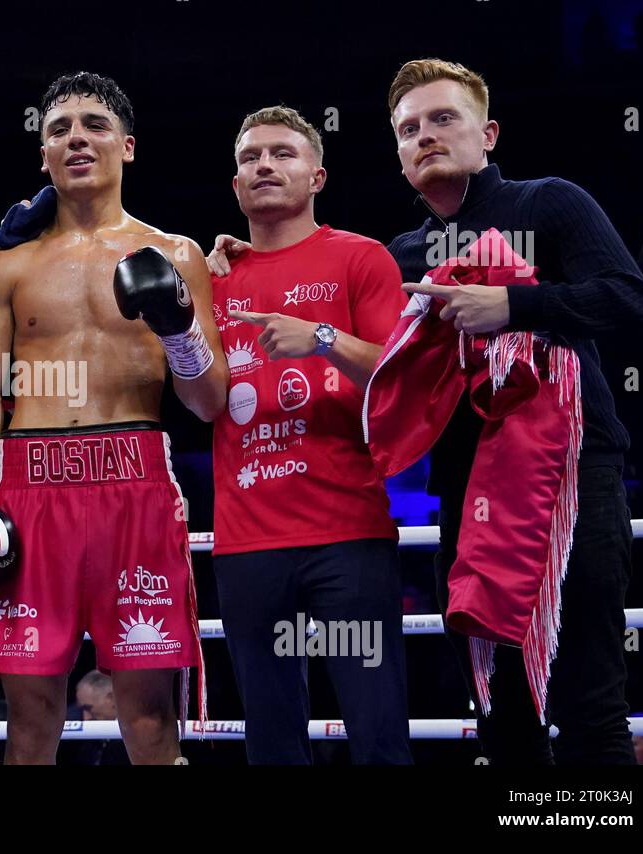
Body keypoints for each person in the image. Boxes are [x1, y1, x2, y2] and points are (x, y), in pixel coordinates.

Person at [384, 58, 643, 764]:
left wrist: (515, 305)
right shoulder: (405, 255)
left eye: (444, 119)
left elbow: (634, 302)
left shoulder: (548, 202)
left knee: (589, 702)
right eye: (409, 128)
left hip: (572, 477)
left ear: (489, 135)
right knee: (501, 713)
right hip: (468, 493)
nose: (426, 137)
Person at [0, 71, 227, 765]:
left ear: (127, 146)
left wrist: (177, 328)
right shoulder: (5, 268)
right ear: (42, 154)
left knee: (150, 717)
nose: (76, 138)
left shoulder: (178, 253)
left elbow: (208, 400)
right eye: (58, 129)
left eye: (94, 125)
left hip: (134, 486)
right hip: (28, 489)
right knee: (31, 720)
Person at [203, 106, 412, 764]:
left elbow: (401, 372)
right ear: (235, 186)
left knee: (377, 733)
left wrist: (319, 339)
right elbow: (200, 402)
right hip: (247, 543)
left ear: (317, 175)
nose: (265, 165)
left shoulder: (361, 257)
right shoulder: (208, 280)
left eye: (283, 154)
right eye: (250, 157)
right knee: (272, 745)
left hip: (347, 535)